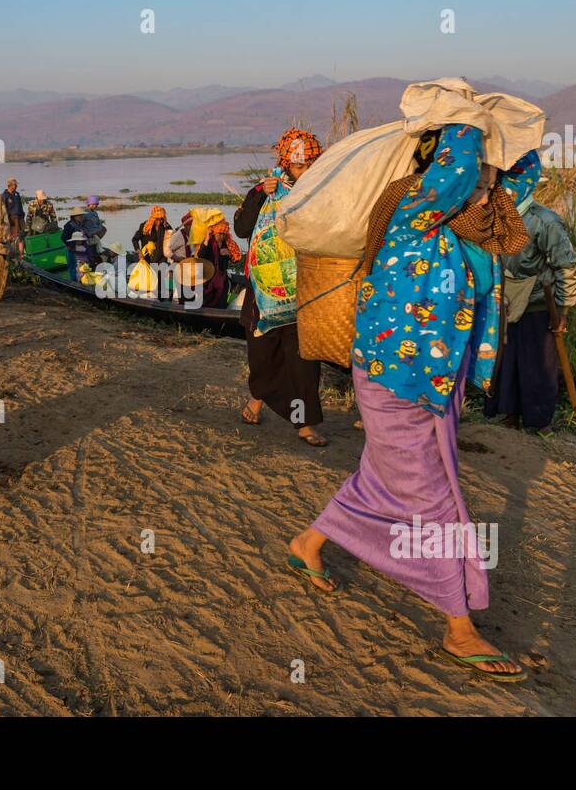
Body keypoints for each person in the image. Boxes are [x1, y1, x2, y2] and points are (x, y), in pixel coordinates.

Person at [288, 123, 539, 684]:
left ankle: (308, 541)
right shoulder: (409, 209)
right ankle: (458, 625)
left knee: (380, 478)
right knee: (432, 497)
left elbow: (524, 178)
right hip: (393, 378)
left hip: (438, 380)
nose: (484, 179)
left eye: (486, 171)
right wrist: (464, 122)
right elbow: (454, 174)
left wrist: (507, 136)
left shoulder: (476, 225)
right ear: (445, 165)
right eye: (475, 167)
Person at [234, 127, 327, 446]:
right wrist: (260, 192)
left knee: (304, 365)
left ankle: (304, 424)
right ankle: (256, 400)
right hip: (263, 294)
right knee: (262, 357)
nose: (306, 172)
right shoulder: (264, 192)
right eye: (300, 167)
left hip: (304, 291)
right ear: (285, 163)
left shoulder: (319, 195)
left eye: (310, 165)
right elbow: (243, 228)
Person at [484, 192, 576, 434]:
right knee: (505, 361)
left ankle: (539, 422)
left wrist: (564, 309)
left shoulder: (545, 220)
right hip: (501, 300)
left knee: (538, 365)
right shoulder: (492, 214)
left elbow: (566, 265)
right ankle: (510, 416)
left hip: (537, 302)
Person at [194, 208, 241, 308]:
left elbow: (236, 259)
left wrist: (228, 254)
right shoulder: (209, 242)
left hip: (221, 279)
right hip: (208, 279)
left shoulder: (227, 244)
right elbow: (200, 255)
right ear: (214, 232)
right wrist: (206, 238)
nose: (222, 236)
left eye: (224, 234)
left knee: (221, 302)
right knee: (206, 302)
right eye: (220, 233)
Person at [62, 208, 93, 280]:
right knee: (73, 266)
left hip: (79, 249)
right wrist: (70, 246)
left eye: (81, 215)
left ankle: (80, 280)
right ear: (74, 216)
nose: (81, 217)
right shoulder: (69, 225)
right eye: (79, 216)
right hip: (72, 249)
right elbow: (63, 237)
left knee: (81, 266)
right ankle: (74, 281)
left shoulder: (79, 224)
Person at [1, 178, 25, 251]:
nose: (16, 186)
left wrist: (22, 215)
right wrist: (7, 220)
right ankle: (13, 251)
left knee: (22, 234)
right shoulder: (5, 195)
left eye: (16, 185)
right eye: (15, 185)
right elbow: (3, 209)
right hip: (11, 218)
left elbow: (20, 206)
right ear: (10, 185)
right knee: (14, 235)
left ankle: (22, 253)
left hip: (20, 217)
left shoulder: (17, 194)